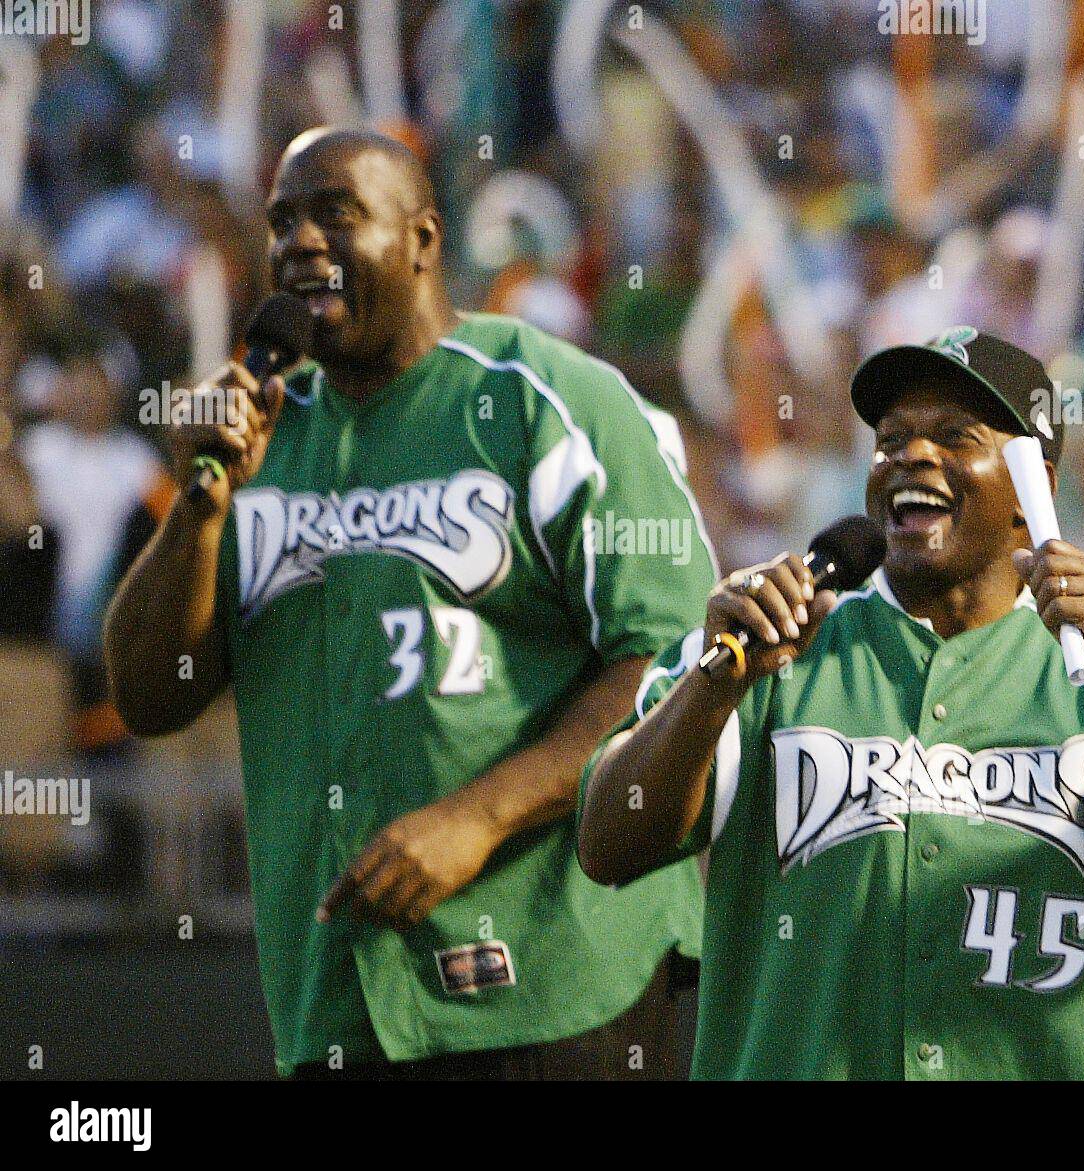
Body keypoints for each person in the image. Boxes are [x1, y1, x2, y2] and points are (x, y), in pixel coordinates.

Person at [105, 128, 715, 1079]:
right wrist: (199, 504)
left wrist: (476, 816)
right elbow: (150, 695)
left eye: (336, 213)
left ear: (424, 240)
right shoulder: (264, 440)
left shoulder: (551, 398)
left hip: (558, 978)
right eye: (283, 222)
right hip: (341, 994)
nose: (299, 242)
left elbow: (675, 667)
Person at [577, 327, 1084, 1080]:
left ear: (1030, 487)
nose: (909, 455)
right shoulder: (771, 646)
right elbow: (607, 843)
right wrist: (713, 687)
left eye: (952, 436)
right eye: (890, 438)